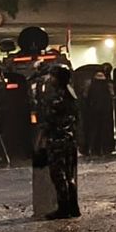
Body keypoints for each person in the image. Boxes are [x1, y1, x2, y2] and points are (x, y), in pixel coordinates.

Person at [41, 65, 81, 219]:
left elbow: (48, 120)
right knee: (69, 174)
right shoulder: (72, 94)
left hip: (58, 140)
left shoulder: (56, 98)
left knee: (58, 175)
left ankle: (63, 208)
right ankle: (74, 207)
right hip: (70, 139)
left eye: (52, 76)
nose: (50, 79)